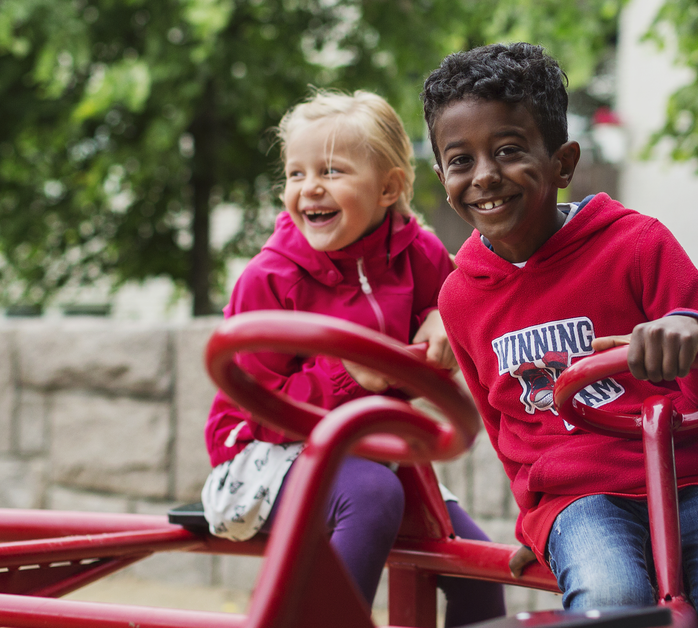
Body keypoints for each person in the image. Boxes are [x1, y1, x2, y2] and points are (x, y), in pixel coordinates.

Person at [421, 43, 698, 627]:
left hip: (691, 474)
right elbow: (506, 428)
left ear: (563, 162)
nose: (485, 175)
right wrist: (538, 523)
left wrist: (687, 331)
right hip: (579, 499)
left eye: (510, 151)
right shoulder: (461, 297)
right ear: (442, 176)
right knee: (609, 601)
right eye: (461, 160)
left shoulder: (635, 245)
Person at [201, 89, 505, 627]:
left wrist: (444, 313)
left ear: (388, 188)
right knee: (372, 494)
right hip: (258, 455)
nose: (310, 187)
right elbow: (255, 406)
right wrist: (346, 378)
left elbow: (466, 294)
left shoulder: (420, 253)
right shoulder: (270, 279)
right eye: (296, 174)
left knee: (479, 570)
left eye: (333, 170)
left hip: (372, 450)